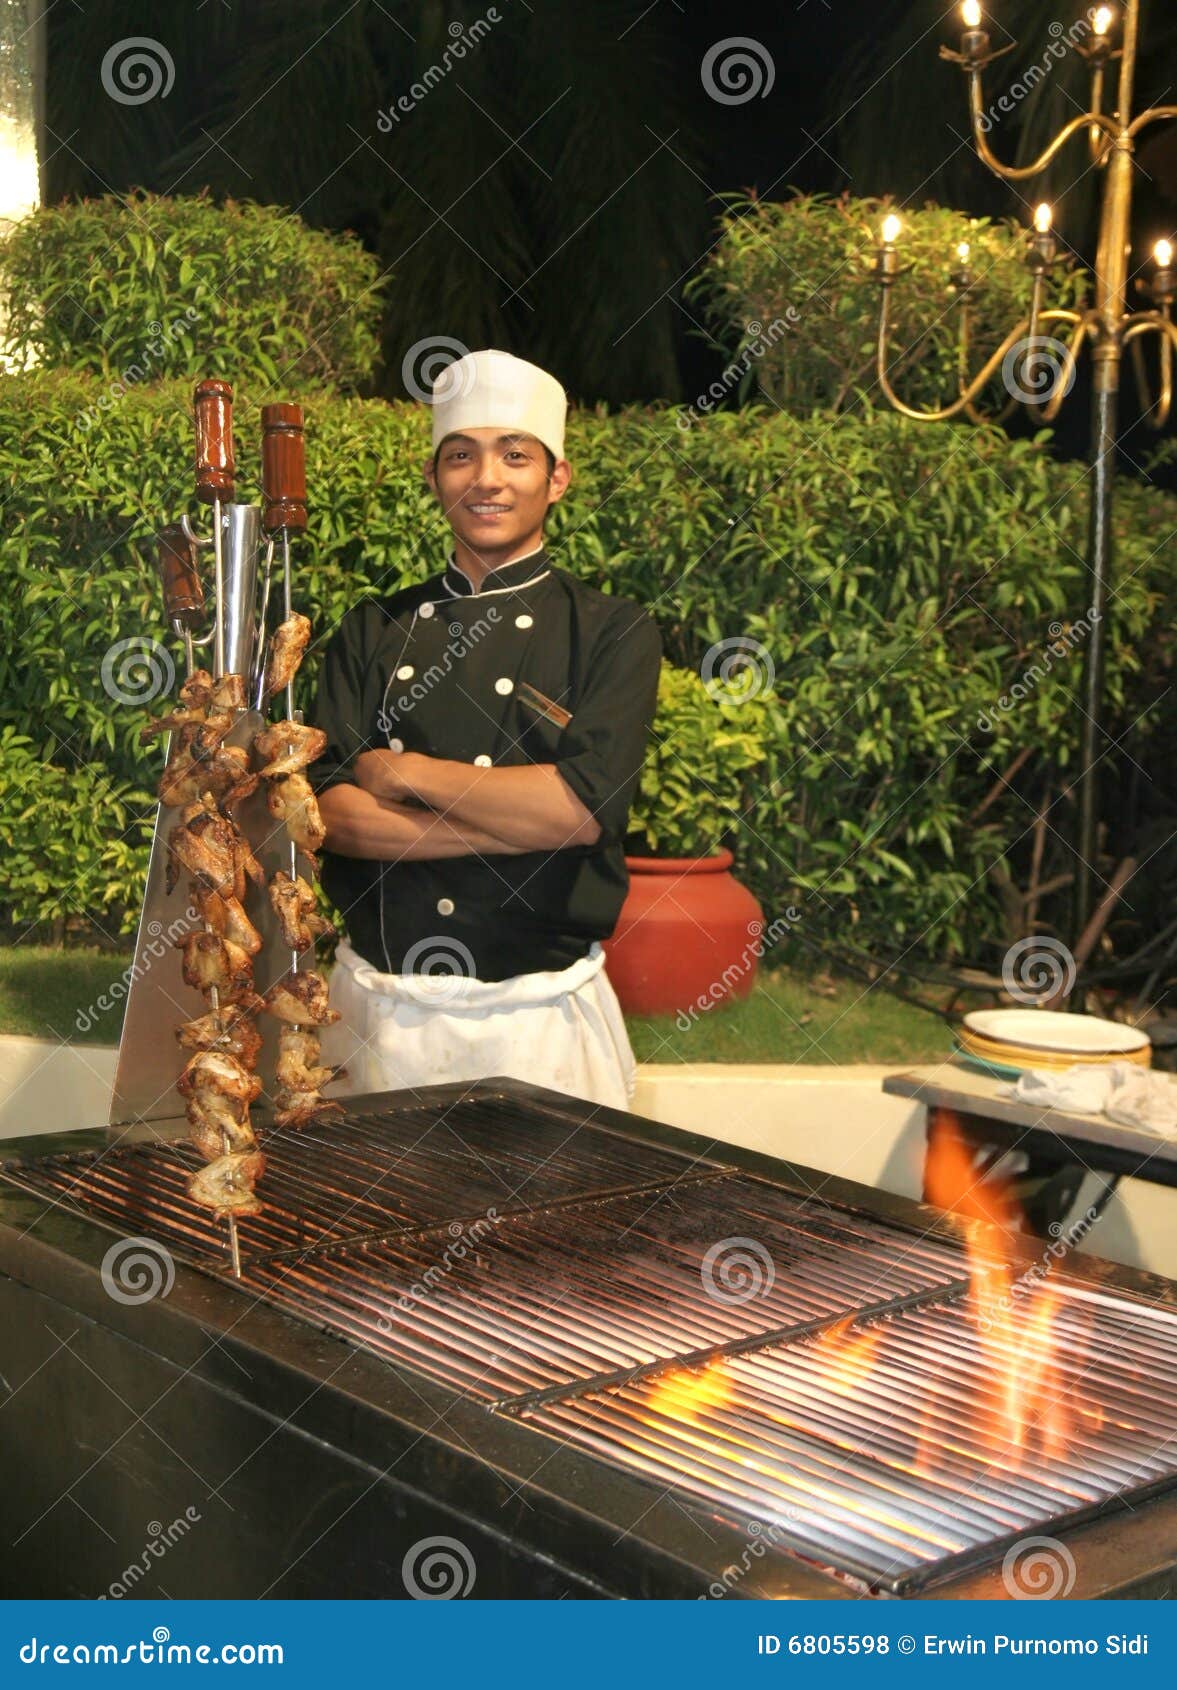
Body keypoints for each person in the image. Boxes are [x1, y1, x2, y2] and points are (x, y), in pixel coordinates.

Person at [312, 349, 662, 1109]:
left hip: (538, 1024)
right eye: (461, 456)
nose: (487, 479)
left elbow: (577, 809)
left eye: (515, 454)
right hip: (380, 1014)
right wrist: (521, 824)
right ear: (436, 478)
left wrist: (403, 775)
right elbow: (328, 814)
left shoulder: (610, 632)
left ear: (555, 477)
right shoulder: (374, 627)